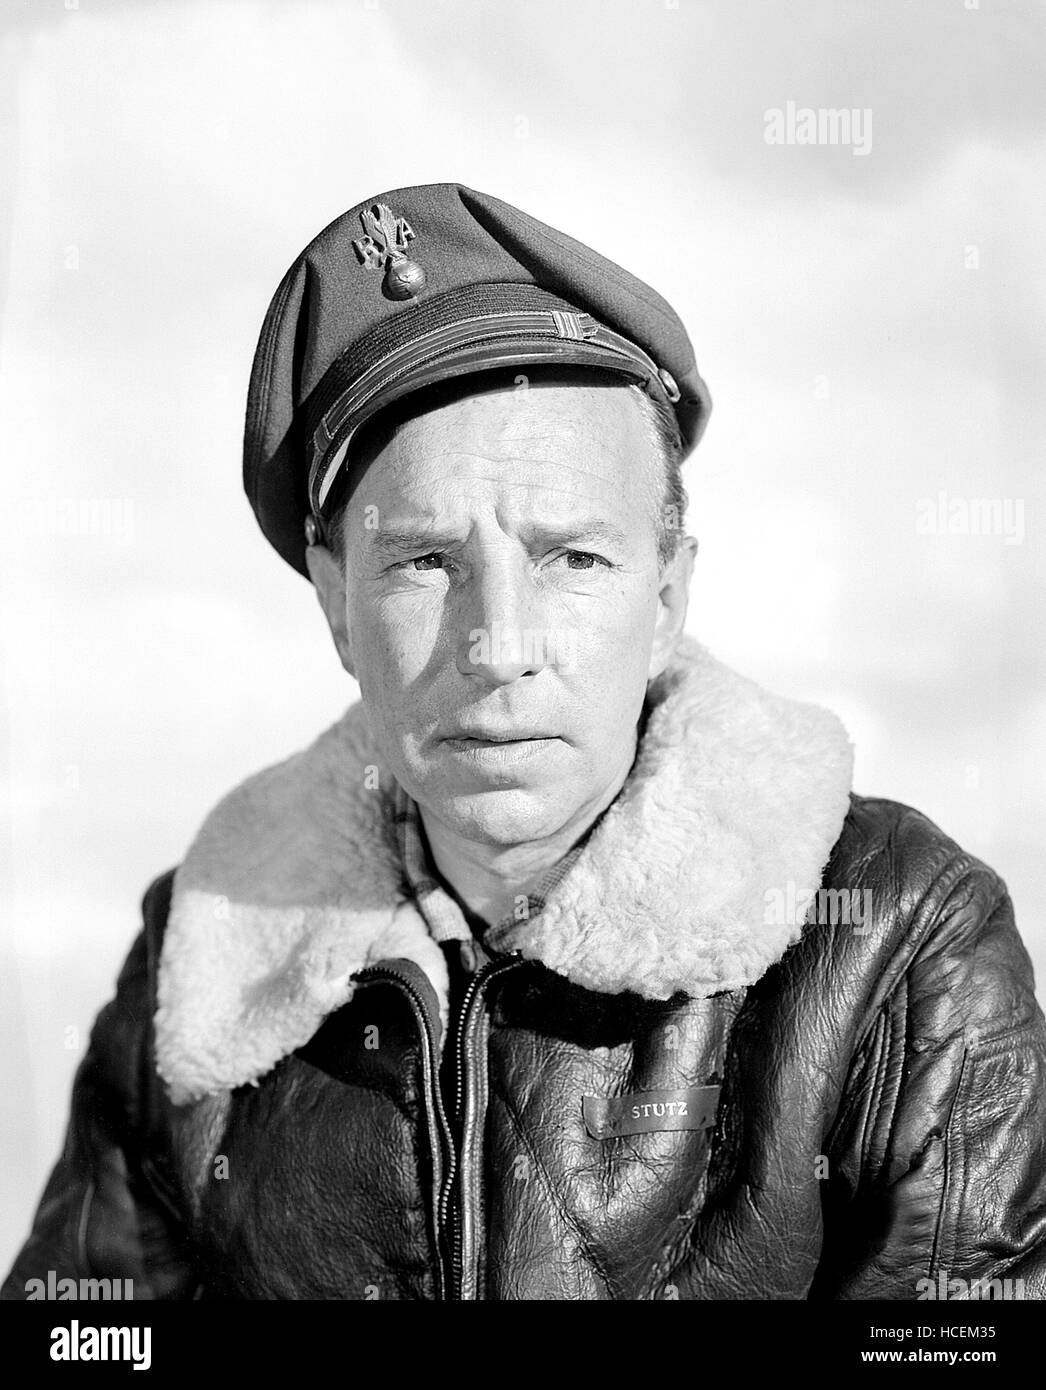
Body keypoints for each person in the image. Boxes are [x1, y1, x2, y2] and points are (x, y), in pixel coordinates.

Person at [5, 184, 1045, 1301]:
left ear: (666, 596)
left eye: (570, 558)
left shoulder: (896, 934)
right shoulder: (201, 955)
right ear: (334, 601)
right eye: (422, 562)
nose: (497, 645)